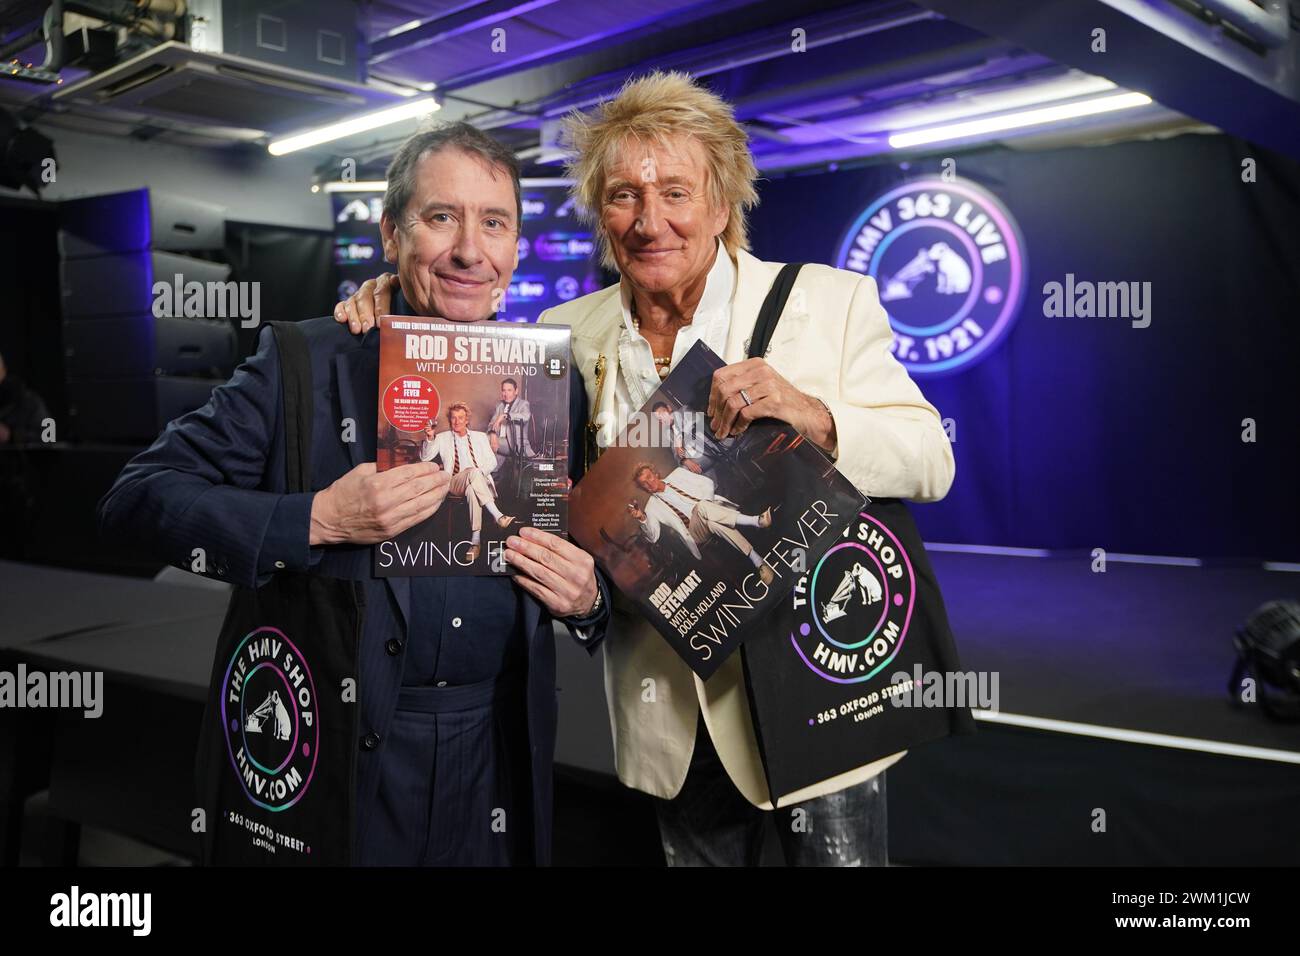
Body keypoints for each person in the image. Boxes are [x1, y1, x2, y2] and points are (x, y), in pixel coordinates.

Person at [335, 73, 955, 867]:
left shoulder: (827, 305)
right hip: (670, 718)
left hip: (815, 695)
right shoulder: (562, 331)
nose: (649, 220)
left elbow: (931, 457)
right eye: (624, 195)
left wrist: (817, 417)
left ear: (723, 205)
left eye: (676, 192)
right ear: (600, 215)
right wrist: (385, 299)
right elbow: (458, 330)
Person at [100, 121, 611, 867]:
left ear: (514, 246)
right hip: (347, 755)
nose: (471, 249)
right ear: (390, 234)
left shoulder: (550, 389)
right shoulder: (303, 362)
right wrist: (314, 519)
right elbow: (136, 499)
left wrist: (588, 602)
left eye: (494, 223)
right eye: (441, 218)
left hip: (494, 758)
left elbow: (602, 567)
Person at [629, 460, 773, 584]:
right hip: (695, 532)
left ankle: (758, 562)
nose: (649, 483)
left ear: (655, 474)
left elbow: (707, 483)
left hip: (712, 511)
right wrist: (642, 518)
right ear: (643, 489)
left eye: (649, 477)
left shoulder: (678, 474)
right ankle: (755, 520)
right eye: (644, 484)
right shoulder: (651, 508)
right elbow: (653, 536)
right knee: (702, 507)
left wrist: (708, 509)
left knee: (713, 521)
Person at [420, 400, 515, 562]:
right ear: (450, 420)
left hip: (477, 483)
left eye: (460, 418)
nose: (456, 421)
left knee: (473, 489)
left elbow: (492, 462)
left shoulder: (479, 437)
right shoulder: (442, 438)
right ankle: (498, 515)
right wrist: (430, 438)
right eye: (453, 418)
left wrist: (477, 474)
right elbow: (425, 458)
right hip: (455, 482)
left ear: (467, 420)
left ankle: (475, 542)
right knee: (472, 474)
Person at [488, 377, 535, 463]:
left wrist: (505, 415)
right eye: (504, 390)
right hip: (500, 443)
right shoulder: (500, 405)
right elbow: (491, 424)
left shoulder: (523, 404)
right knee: (491, 468)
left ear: (516, 391)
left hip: (515, 445)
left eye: (509, 390)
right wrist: (493, 434)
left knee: (483, 439)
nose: (506, 394)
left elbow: (525, 416)